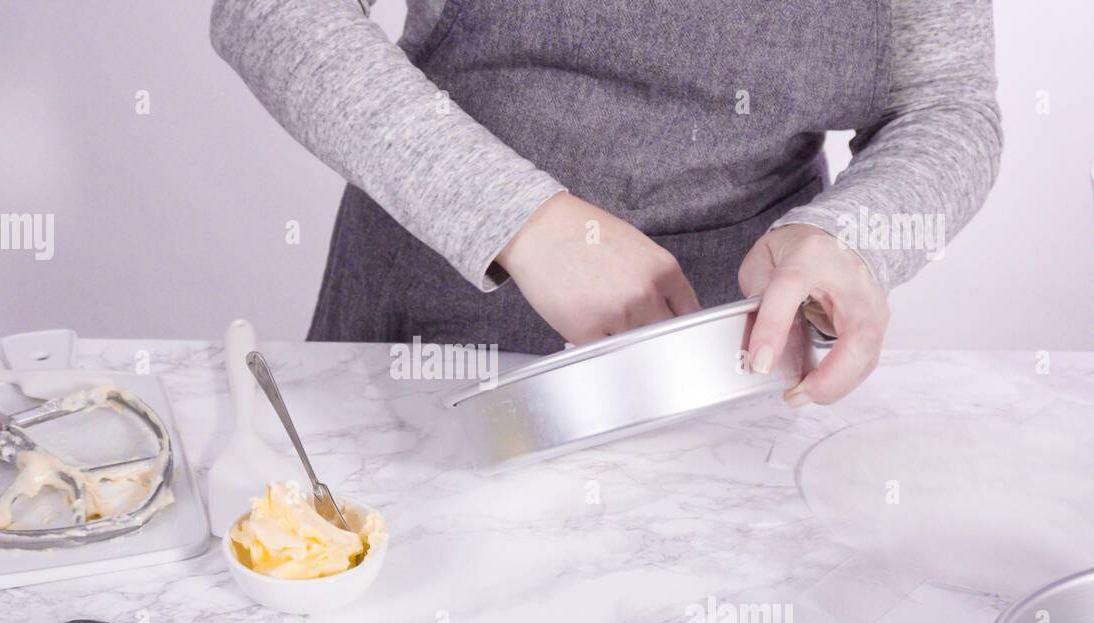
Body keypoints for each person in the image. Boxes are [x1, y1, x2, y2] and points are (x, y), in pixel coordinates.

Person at [210, 0, 1001, 406]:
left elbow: (945, 102)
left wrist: (851, 238)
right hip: (427, 331)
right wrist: (515, 216)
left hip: (724, 363)